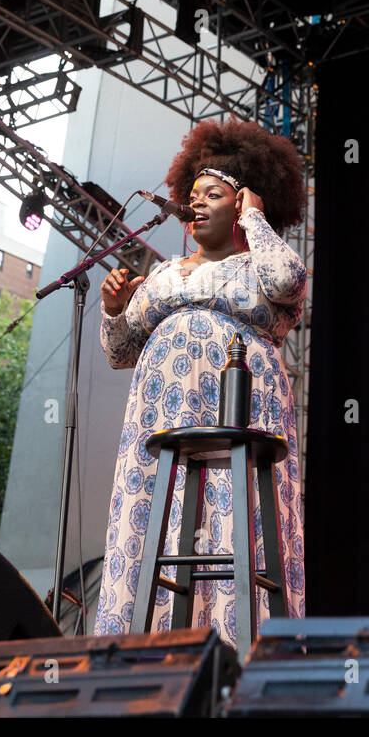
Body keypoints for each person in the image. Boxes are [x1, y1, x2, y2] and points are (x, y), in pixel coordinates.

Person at [94, 120, 307, 645]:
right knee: (158, 528)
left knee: (238, 524)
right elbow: (120, 353)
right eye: (194, 195)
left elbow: (288, 279)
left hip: (239, 415)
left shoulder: (262, 266)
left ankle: (244, 655)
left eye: (215, 193)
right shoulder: (164, 273)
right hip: (163, 422)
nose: (199, 202)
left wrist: (256, 221)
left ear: (242, 204)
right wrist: (113, 311)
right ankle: (148, 658)